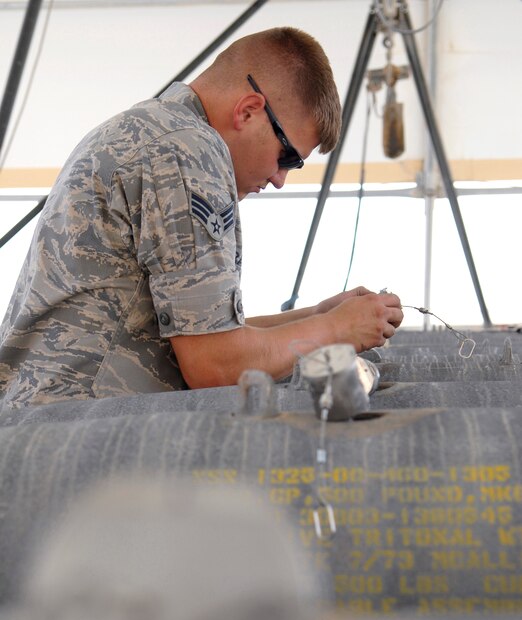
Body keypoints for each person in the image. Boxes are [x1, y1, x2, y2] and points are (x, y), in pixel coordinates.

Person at [0, 27, 403, 409]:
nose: (281, 179)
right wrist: (336, 331)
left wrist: (318, 315)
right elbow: (215, 365)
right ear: (248, 111)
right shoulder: (188, 149)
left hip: (46, 421)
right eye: (288, 158)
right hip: (81, 436)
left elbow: (201, 337)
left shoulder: (149, 129)